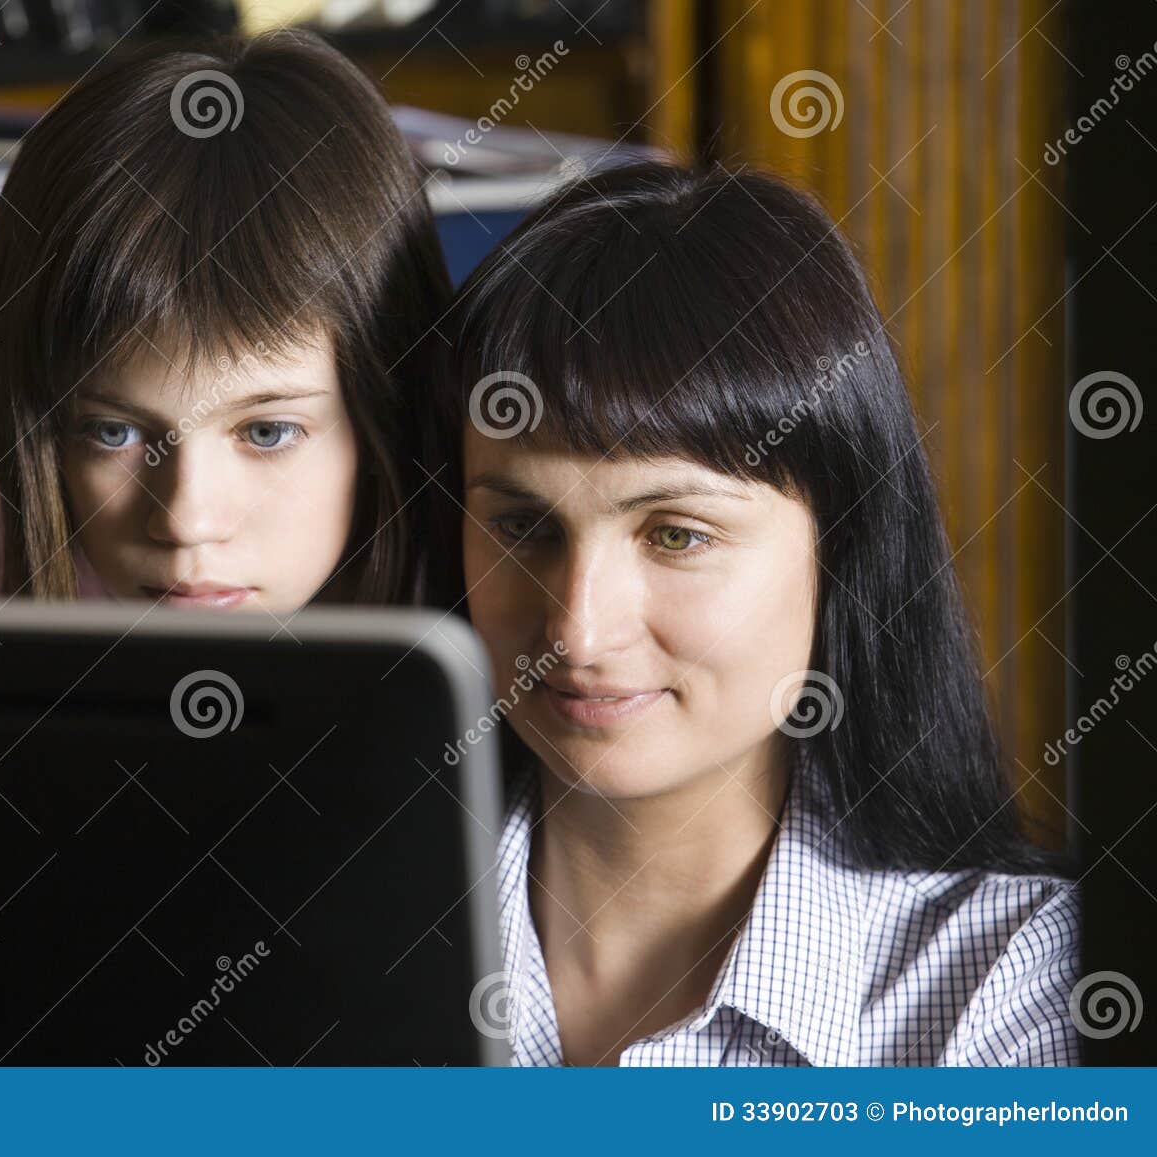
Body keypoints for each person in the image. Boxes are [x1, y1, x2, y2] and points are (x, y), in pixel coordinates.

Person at [430, 159, 1080, 1066]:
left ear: (840, 544)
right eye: (523, 527)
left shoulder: (1014, 989)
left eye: (677, 535)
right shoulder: (324, 928)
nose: (577, 630)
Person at [0, 31, 449, 610]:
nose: (184, 522)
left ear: (389, 411)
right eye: (112, 433)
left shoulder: (497, 578)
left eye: (267, 432)